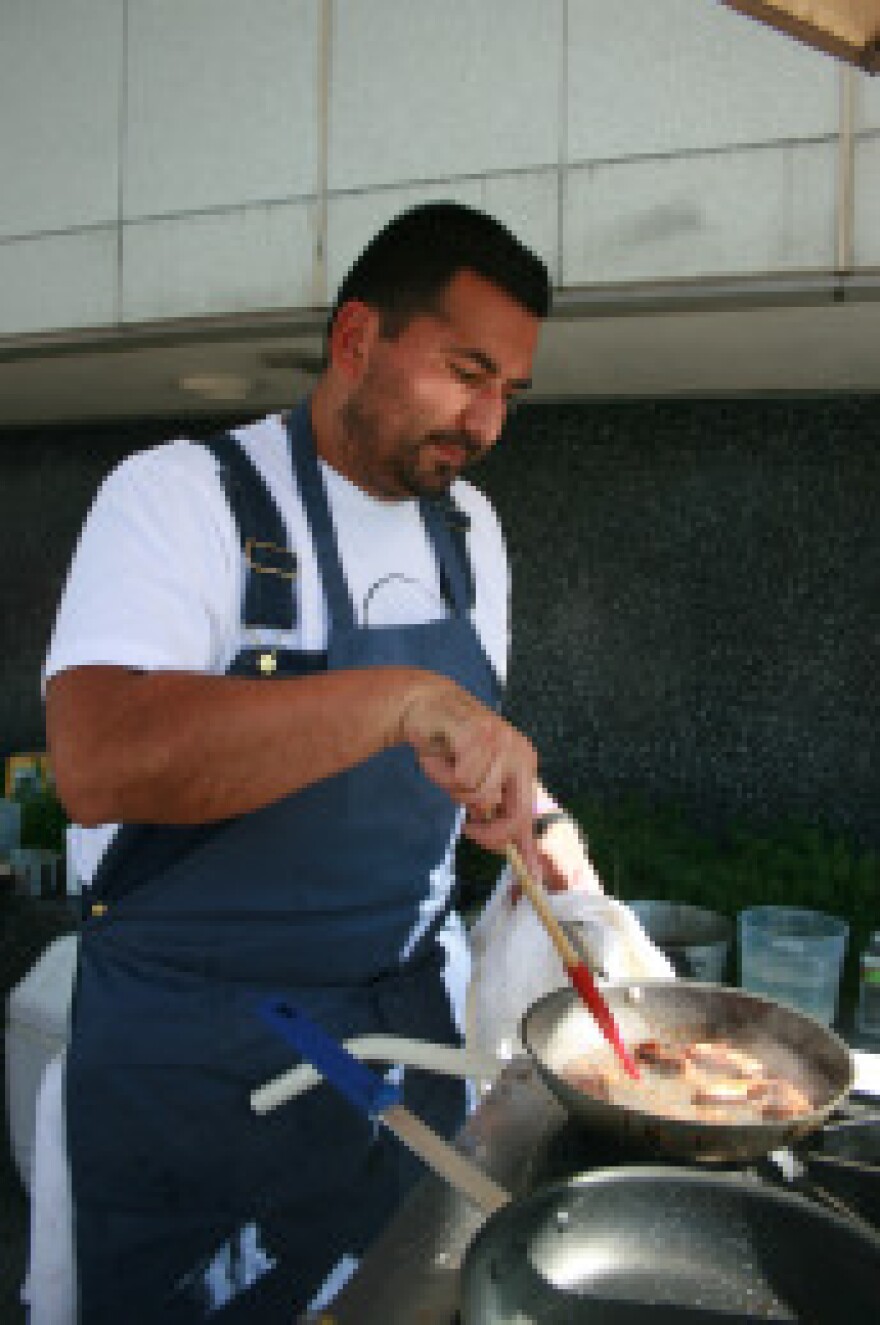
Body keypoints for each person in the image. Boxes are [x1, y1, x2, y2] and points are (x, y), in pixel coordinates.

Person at [41, 201, 596, 1321]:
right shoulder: (177, 497)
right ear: (356, 339)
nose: (487, 420)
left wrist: (534, 820)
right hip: (195, 1059)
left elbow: (449, 746)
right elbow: (97, 759)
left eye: (510, 393)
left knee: (392, 1294)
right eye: (464, 373)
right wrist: (396, 700)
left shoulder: (471, 532)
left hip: (400, 1046)